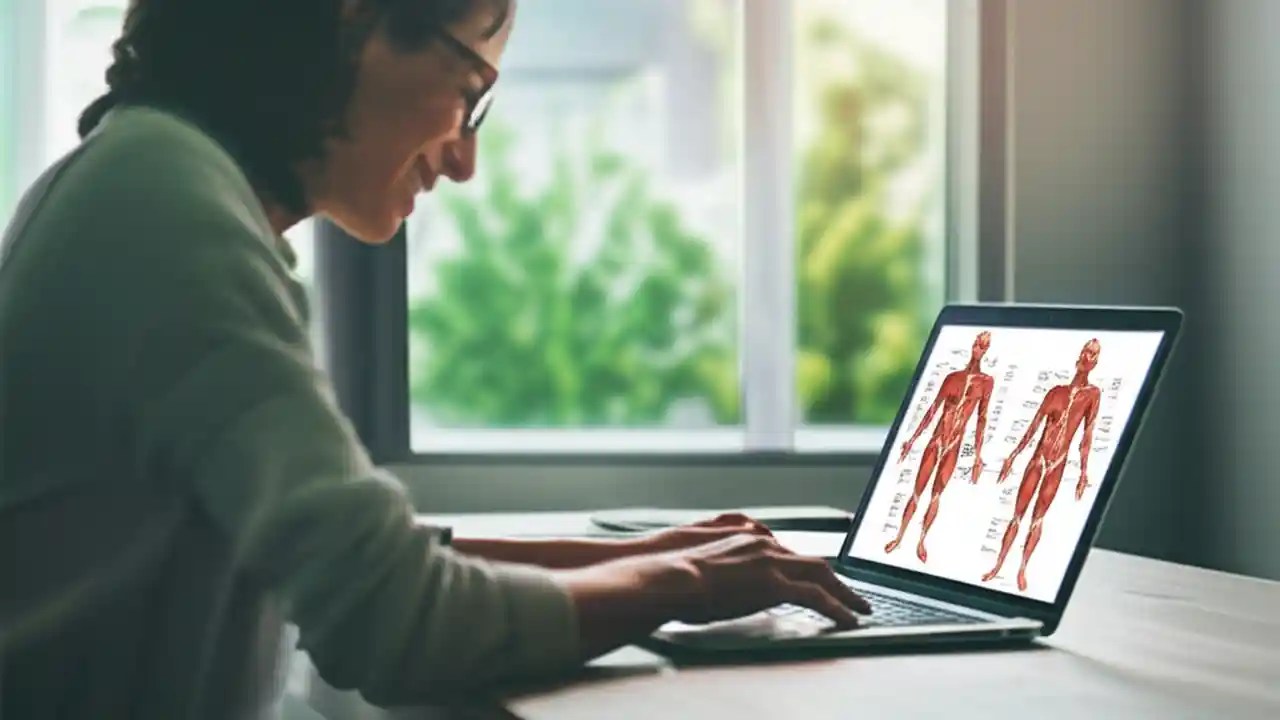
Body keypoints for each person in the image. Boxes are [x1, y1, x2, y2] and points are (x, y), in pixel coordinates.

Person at [0, 0, 870, 716]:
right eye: (471, 91)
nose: (463, 160)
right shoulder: (175, 227)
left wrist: (647, 557)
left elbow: (356, 556)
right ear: (350, 21)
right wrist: (679, 583)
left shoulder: (145, 179)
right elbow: (395, 622)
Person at [981, 339, 1102, 592]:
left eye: (1092, 354)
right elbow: (1034, 426)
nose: (1086, 356)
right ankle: (999, 565)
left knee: (1038, 519)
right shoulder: (1055, 392)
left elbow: (1086, 435)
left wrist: (1083, 472)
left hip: (1058, 464)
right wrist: (1012, 456)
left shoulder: (1092, 395)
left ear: (1096, 361)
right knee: (1017, 515)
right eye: (1085, 351)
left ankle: (1022, 568)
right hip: (1038, 459)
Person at [885, 331, 993, 563]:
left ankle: (921, 540)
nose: (978, 348)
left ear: (986, 350)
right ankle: (900, 536)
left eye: (983, 346)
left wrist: (977, 455)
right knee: (917, 491)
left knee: (936, 495)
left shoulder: (986, 383)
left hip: (954, 444)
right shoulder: (952, 378)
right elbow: (933, 410)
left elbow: (981, 419)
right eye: (977, 343)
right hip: (936, 440)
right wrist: (912, 440)